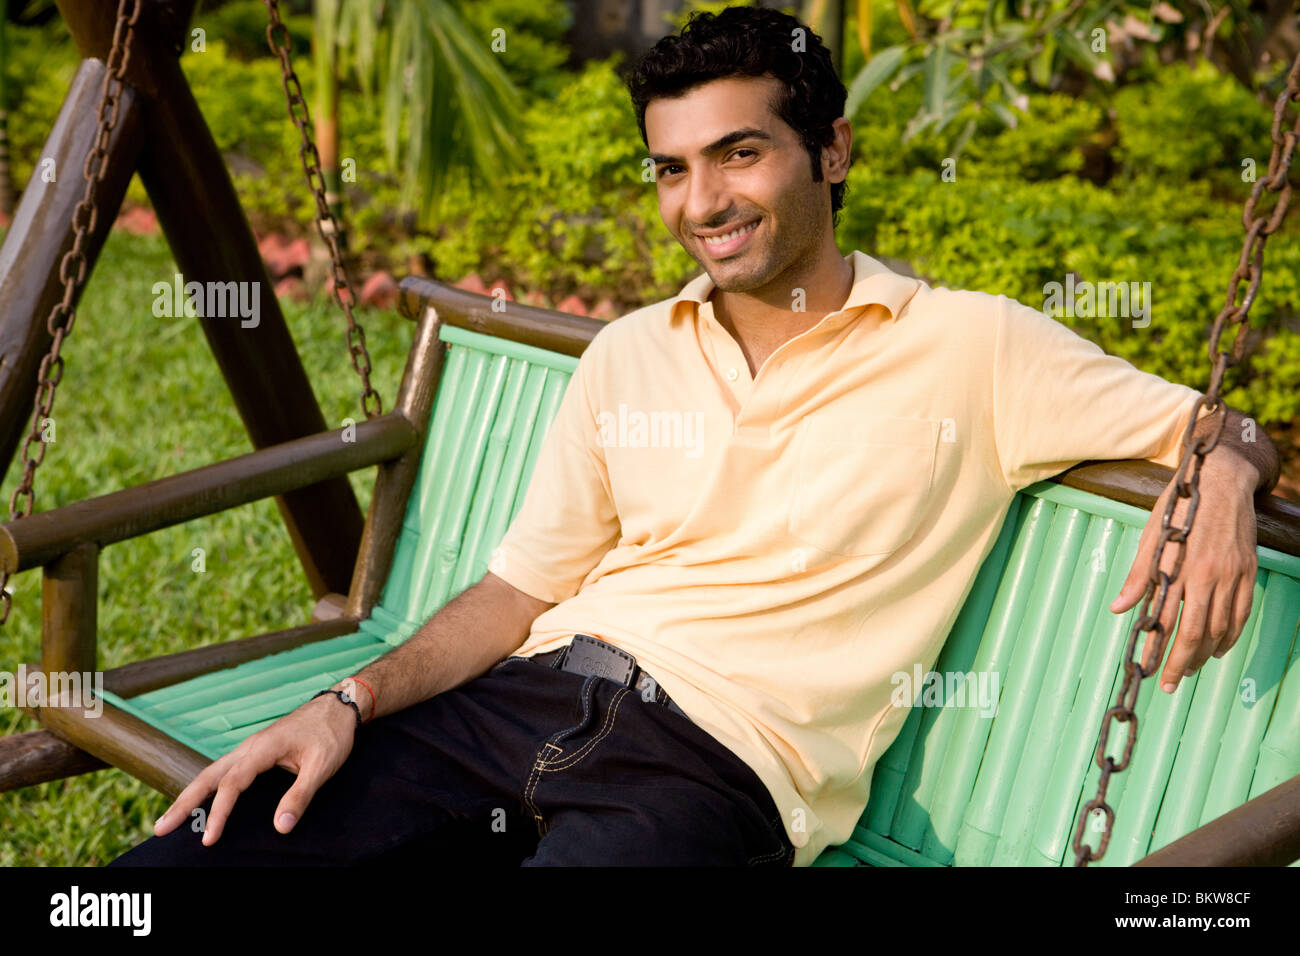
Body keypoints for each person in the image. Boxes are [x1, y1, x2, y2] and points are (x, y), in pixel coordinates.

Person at [111, 5, 1278, 868]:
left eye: (739, 153)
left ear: (832, 150)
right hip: (515, 704)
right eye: (672, 169)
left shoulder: (972, 349)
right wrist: (347, 701)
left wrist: (1224, 467)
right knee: (169, 872)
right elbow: (518, 588)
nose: (701, 202)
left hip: (712, 772)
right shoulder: (632, 351)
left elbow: (1222, 422)